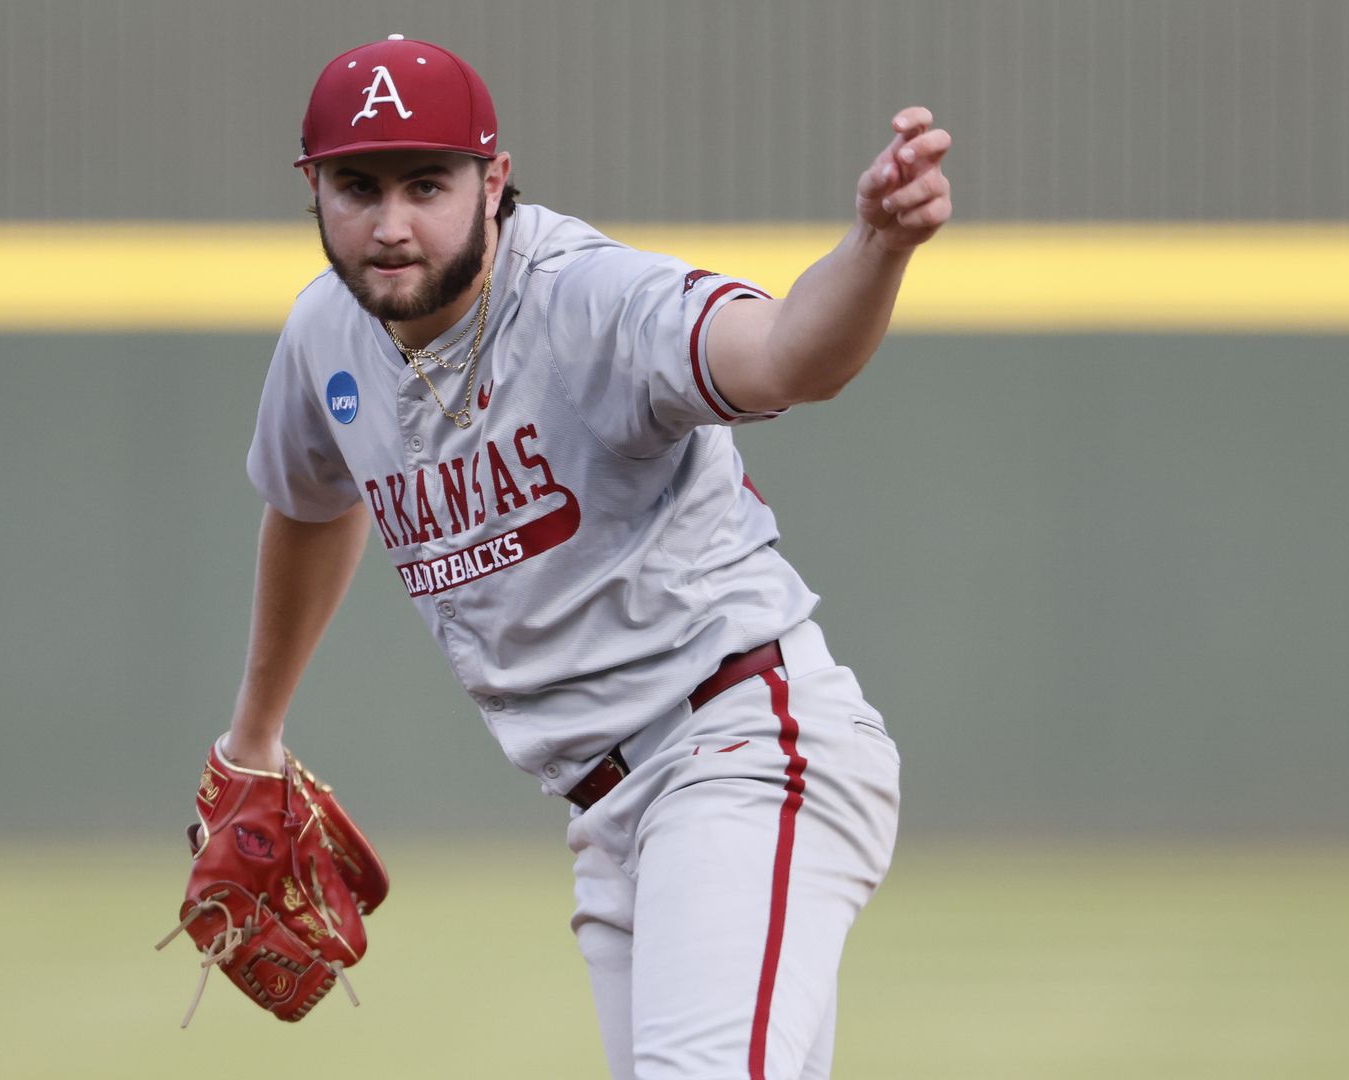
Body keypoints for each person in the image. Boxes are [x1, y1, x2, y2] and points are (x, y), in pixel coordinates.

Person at [225, 34, 949, 1080]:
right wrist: (253, 738)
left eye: (427, 184)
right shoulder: (323, 337)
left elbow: (787, 354)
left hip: (740, 749)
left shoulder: (586, 298)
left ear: (493, 181)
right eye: (358, 187)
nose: (390, 224)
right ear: (313, 191)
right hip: (608, 814)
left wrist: (876, 248)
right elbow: (309, 504)